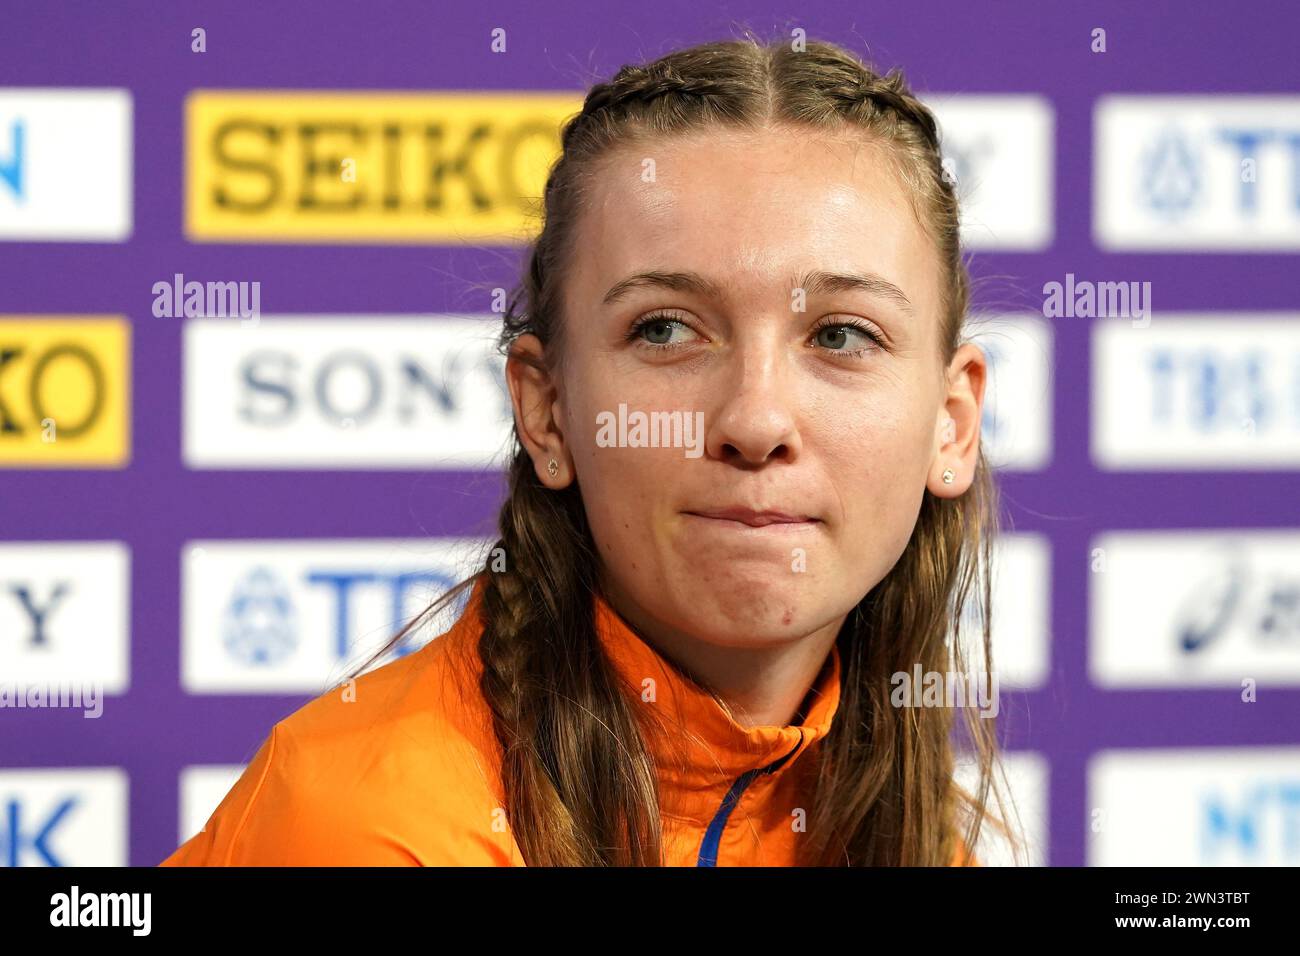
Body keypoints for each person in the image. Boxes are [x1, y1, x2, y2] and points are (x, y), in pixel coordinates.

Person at [161, 33, 1019, 867]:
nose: (755, 421)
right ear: (548, 410)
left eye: (840, 334)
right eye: (666, 329)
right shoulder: (368, 827)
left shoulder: (903, 832)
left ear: (951, 423)